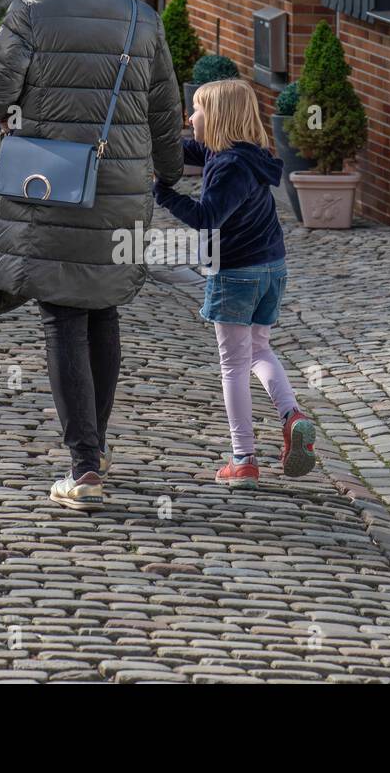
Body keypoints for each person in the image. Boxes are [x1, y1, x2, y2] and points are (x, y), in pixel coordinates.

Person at [0, 0, 184, 511]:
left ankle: (85, 466)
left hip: (49, 181)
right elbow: (165, 108)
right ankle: (94, 451)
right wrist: (167, 176)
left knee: (64, 315)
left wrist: (12, 113)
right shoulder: (141, 19)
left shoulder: (32, 9)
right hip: (120, 188)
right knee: (102, 308)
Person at [153, 79, 315, 489]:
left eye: (196, 111)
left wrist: (163, 193)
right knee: (259, 348)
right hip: (272, 268)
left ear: (219, 116)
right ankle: (291, 414)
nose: (190, 118)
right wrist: (155, 139)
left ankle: (243, 458)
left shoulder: (228, 167)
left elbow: (207, 217)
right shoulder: (247, 154)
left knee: (232, 364)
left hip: (236, 272)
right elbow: (188, 150)